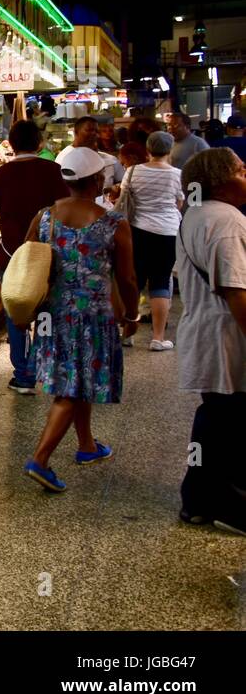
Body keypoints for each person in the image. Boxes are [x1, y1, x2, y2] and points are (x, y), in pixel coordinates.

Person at [23, 146, 140, 493]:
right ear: (99, 180)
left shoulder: (45, 216)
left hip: (53, 315)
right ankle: (40, 460)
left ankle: (87, 445)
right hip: (93, 317)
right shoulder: (114, 223)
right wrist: (131, 314)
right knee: (72, 390)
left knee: (77, 381)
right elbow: (128, 278)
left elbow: (28, 260)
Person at [0, 120, 70, 394]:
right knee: (46, 310)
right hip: (48, 256)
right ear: (39, 143)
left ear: (11, 144)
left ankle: (23, 374)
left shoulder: (1, 174)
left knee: (17, 310)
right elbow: (64, 212)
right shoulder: (53, 170)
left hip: (12, 255)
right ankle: (42, 367)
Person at [175, 149, 246, 535]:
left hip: (209, 332)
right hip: (226, 337)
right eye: (240, 169)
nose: (245, 173)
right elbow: (237, 292)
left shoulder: (197, 214)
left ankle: (198, 498)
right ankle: (225, 499)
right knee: (229, 422)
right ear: (221, 180)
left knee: (215, 419)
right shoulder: (225, 220)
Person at [123, 131, 185, 350]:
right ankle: (158, 338)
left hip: (137, 231)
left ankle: (127, 334)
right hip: (167, 233)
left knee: (135, 281)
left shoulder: (132, 172)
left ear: (147, 150)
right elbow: (179, 204)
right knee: (160, 281)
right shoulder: (178, 174)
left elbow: (125, 200)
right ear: (169, 150)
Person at [71, 116, 123, 201]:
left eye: (96, 131)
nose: (93, 134)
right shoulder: (67, 158)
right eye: (89, 130)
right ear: (76, 133)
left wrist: (115, 189)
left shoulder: (111, 160)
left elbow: (122, 182)